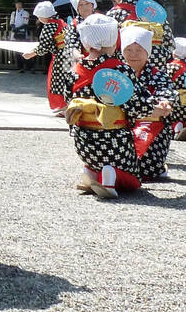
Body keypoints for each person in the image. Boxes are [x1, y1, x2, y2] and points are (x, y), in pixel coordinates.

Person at [64, 14, 152, 199]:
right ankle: (110, 174)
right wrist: (155, 107)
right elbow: (137, 104)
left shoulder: (75, 70)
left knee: (95, 160)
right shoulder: (120, 69)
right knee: (134, 179)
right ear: (112, 40)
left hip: (83, 141)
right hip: (113, 141)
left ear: (87, 42)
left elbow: (67, 99)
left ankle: (90, 172)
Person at [120, 24, 177, 182]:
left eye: (139, 50)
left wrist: (165, 102)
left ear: (148, 52)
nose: (133, 55)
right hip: (122, 126)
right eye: (129, 50)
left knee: (149, 170)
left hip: (151, 126)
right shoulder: (117, 72)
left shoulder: (157, 74)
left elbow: (167, 91)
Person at [106, 0, 174, 70]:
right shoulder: (153, 10)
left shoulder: (114, 14)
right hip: (157, 63)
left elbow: (108, 44)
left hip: (127, 63)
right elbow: (170, 42)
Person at [24, 0, 70, 113]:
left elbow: (44, 46)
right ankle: (66, 105)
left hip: (60, 57)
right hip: (69, 55)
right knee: (66, 81)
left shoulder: (49, 26)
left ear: (43, 17)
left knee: (57, 81)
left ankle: (63, 107)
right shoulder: (60, 22)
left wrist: (30, 54)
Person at [8, 0, 32, 72]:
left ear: (22, 4)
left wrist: (18, 29)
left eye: (19, 3)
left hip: (22, 33)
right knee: (17, 51)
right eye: (16, 4)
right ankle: (20, 67)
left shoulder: (25, 13)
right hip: (15, 33)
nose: (18, 5)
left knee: (24, 50)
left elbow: (25, 24)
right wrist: (14, 28)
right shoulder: (13, 13)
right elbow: (11, 22)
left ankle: (28, 66)